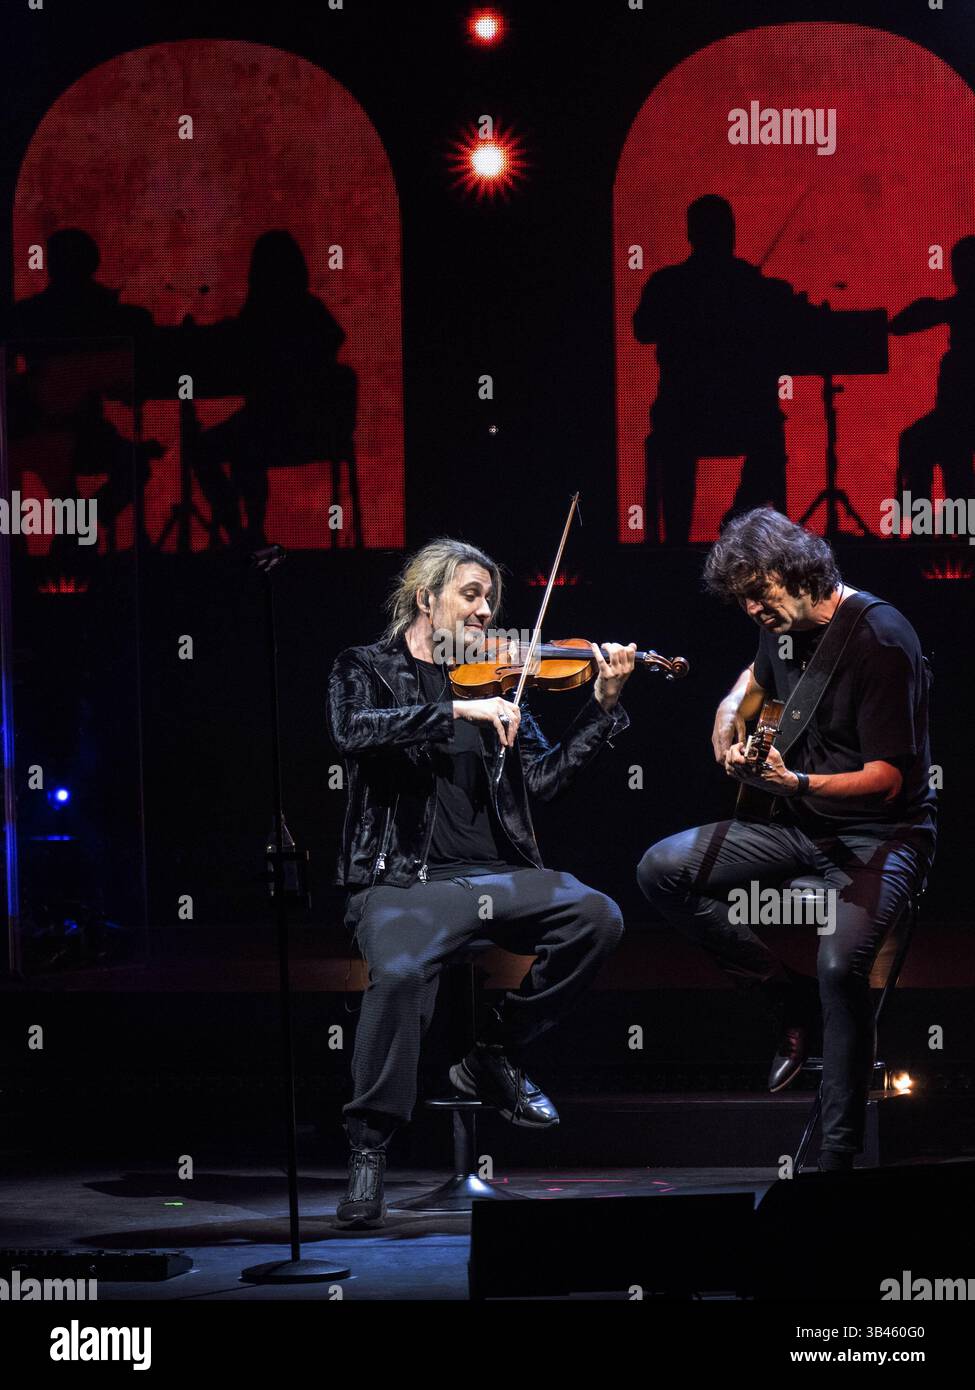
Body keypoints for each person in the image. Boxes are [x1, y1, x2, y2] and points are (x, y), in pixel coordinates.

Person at [326, 537, 636, 1225]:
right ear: (424, 597)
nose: (485, 610)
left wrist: (603, 708)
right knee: (401, 975)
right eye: (471, 594)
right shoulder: (366, 669)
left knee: (597, 916)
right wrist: (455, 712)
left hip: (494, 875)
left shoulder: (498, 677)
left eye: (490, 598)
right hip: (402, 881)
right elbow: (352, 731)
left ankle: (493, 1053)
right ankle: (369, 1149)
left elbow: (545, 783)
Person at [636, 509, 935, 1171]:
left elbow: (889, 782)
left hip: (879, 835)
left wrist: (794, 782)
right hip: (795, 822)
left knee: (839, 969)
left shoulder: (881, 640)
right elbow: (757, 674)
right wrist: (727, 707)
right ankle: (786, 999)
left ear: (801, 575)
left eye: (758, 593)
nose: (749, 608)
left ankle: (836, 1156)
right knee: (661, 870)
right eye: (739, 596)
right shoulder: (782, 625)